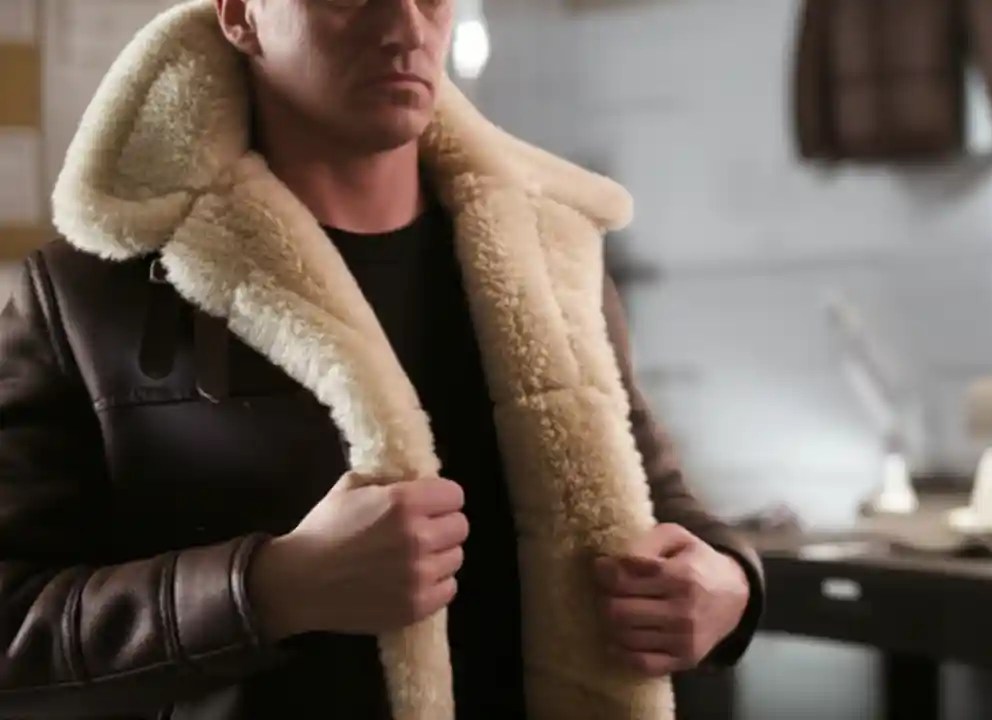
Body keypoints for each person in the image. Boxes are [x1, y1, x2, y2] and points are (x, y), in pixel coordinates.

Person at [0, 0, 763, 717]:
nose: (404, 28)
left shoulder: (549, 257)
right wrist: (267, 591)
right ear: (239, 14)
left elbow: (658, 501)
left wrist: (729, 585)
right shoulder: (92, 294)